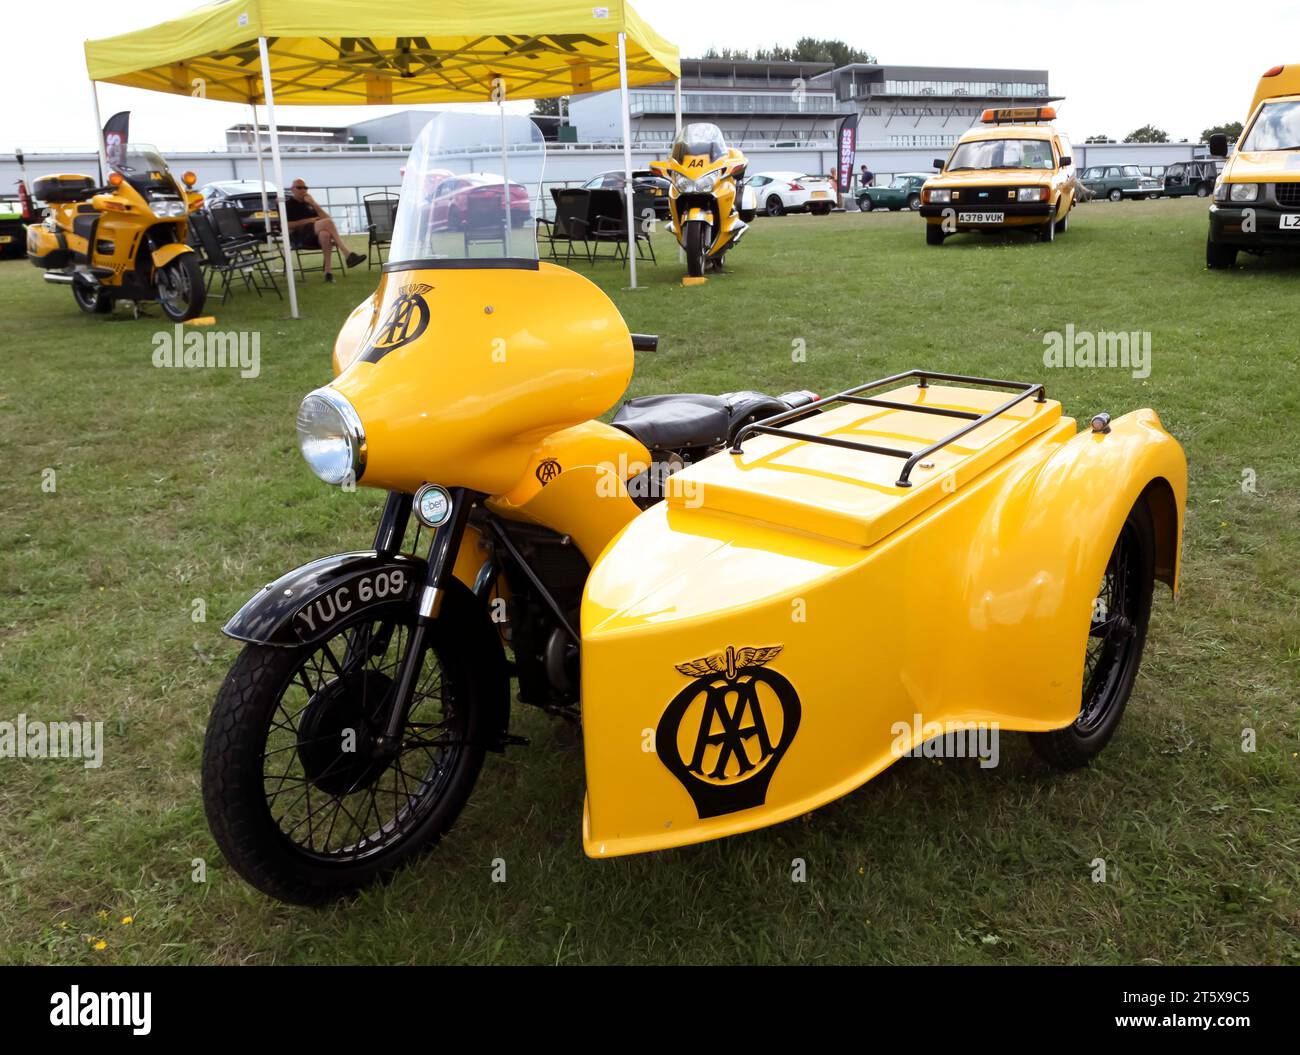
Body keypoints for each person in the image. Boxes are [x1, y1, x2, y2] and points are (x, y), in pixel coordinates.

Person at [284, 180, 365, 281]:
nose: (303, 190)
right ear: (292, 189)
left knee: (325, 234)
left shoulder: (308, 203)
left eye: (305, 188)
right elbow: (286, 225)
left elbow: (327, 218)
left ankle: (328, 272)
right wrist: (308, 220)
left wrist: (314, 204)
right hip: (298, 237)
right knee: (327, 223)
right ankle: (347, 254)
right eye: (299, 188)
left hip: (314, 237)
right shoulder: (287, 204)